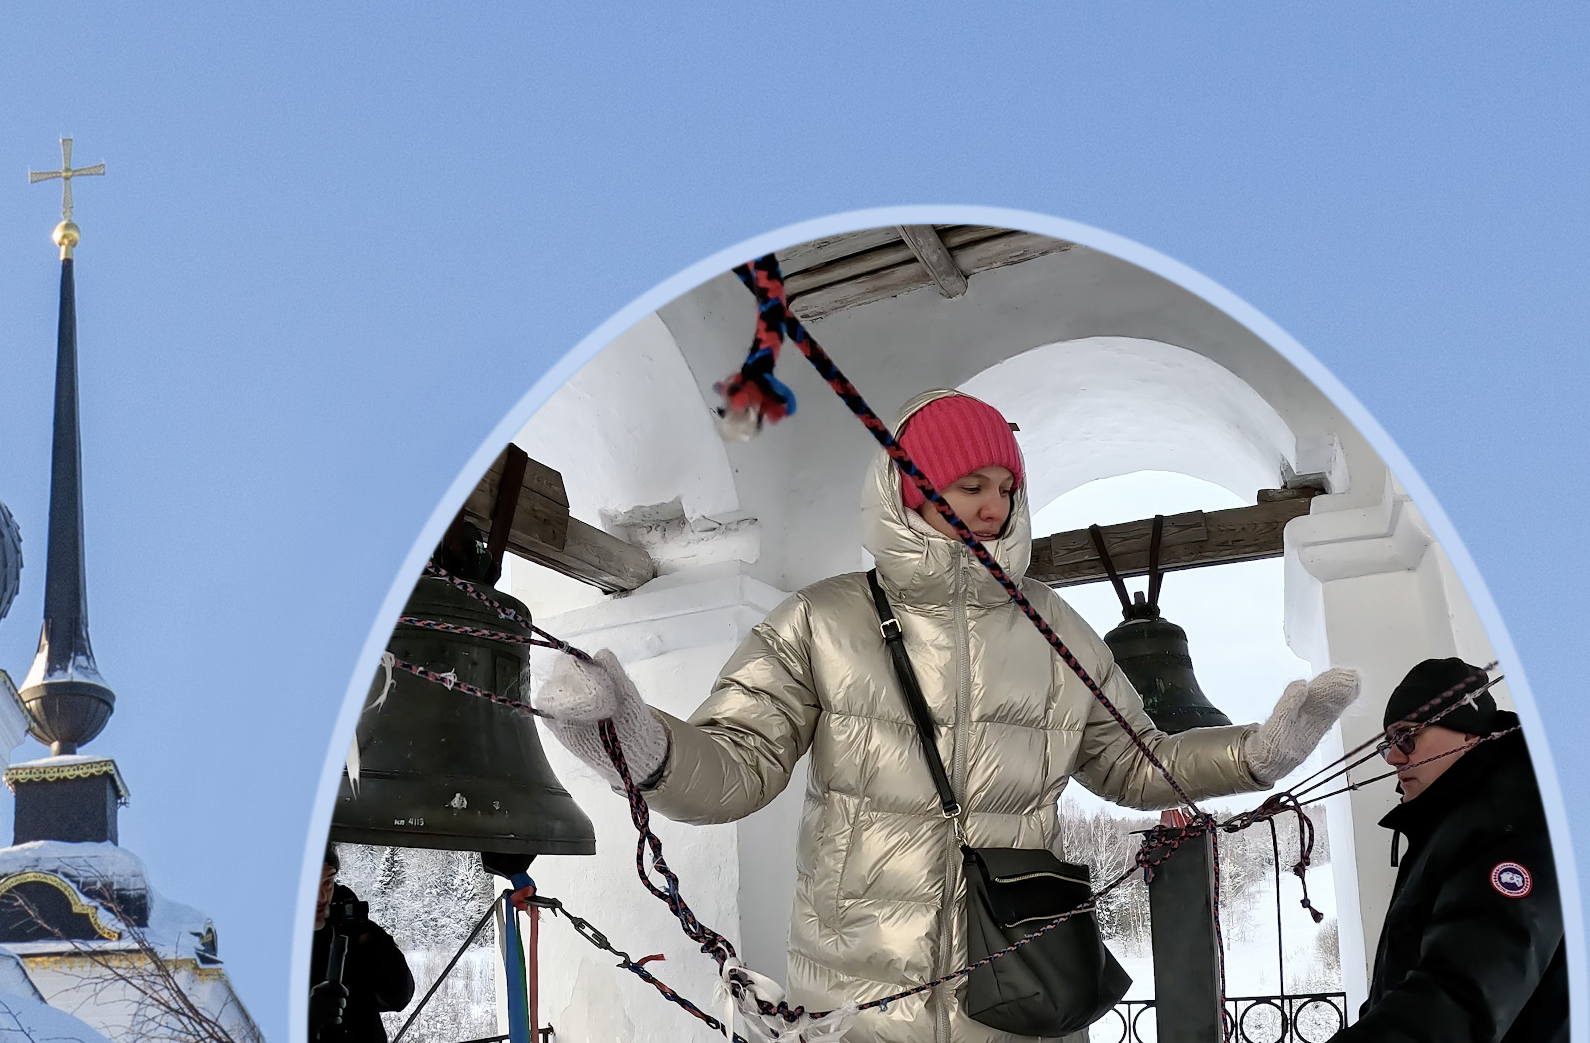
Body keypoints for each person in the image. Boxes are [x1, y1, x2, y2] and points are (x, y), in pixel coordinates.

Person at [538, 389, 1362, 1042]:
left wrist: (1258, 753)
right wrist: (634, 744)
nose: (994, 505)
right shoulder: (821, 622)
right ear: (910, 487)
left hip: (1023, 988)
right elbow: (739, 765)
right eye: (972, 485)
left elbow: (1134, 764)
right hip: (857, 1003)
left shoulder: (1055, 629)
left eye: (1006, 488)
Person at [1329, 657, 1564, 1043]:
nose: (1392, 757)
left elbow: (1460, 998)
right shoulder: (1450, 823)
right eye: (1388, 743)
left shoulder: (1514, 823)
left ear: (1469, 733)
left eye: (1407, 737)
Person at [309, 845, 415, 1043]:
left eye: (328, 883)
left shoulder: (352, 930)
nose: (322, 897)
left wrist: (372, 939)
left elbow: (399, 996)